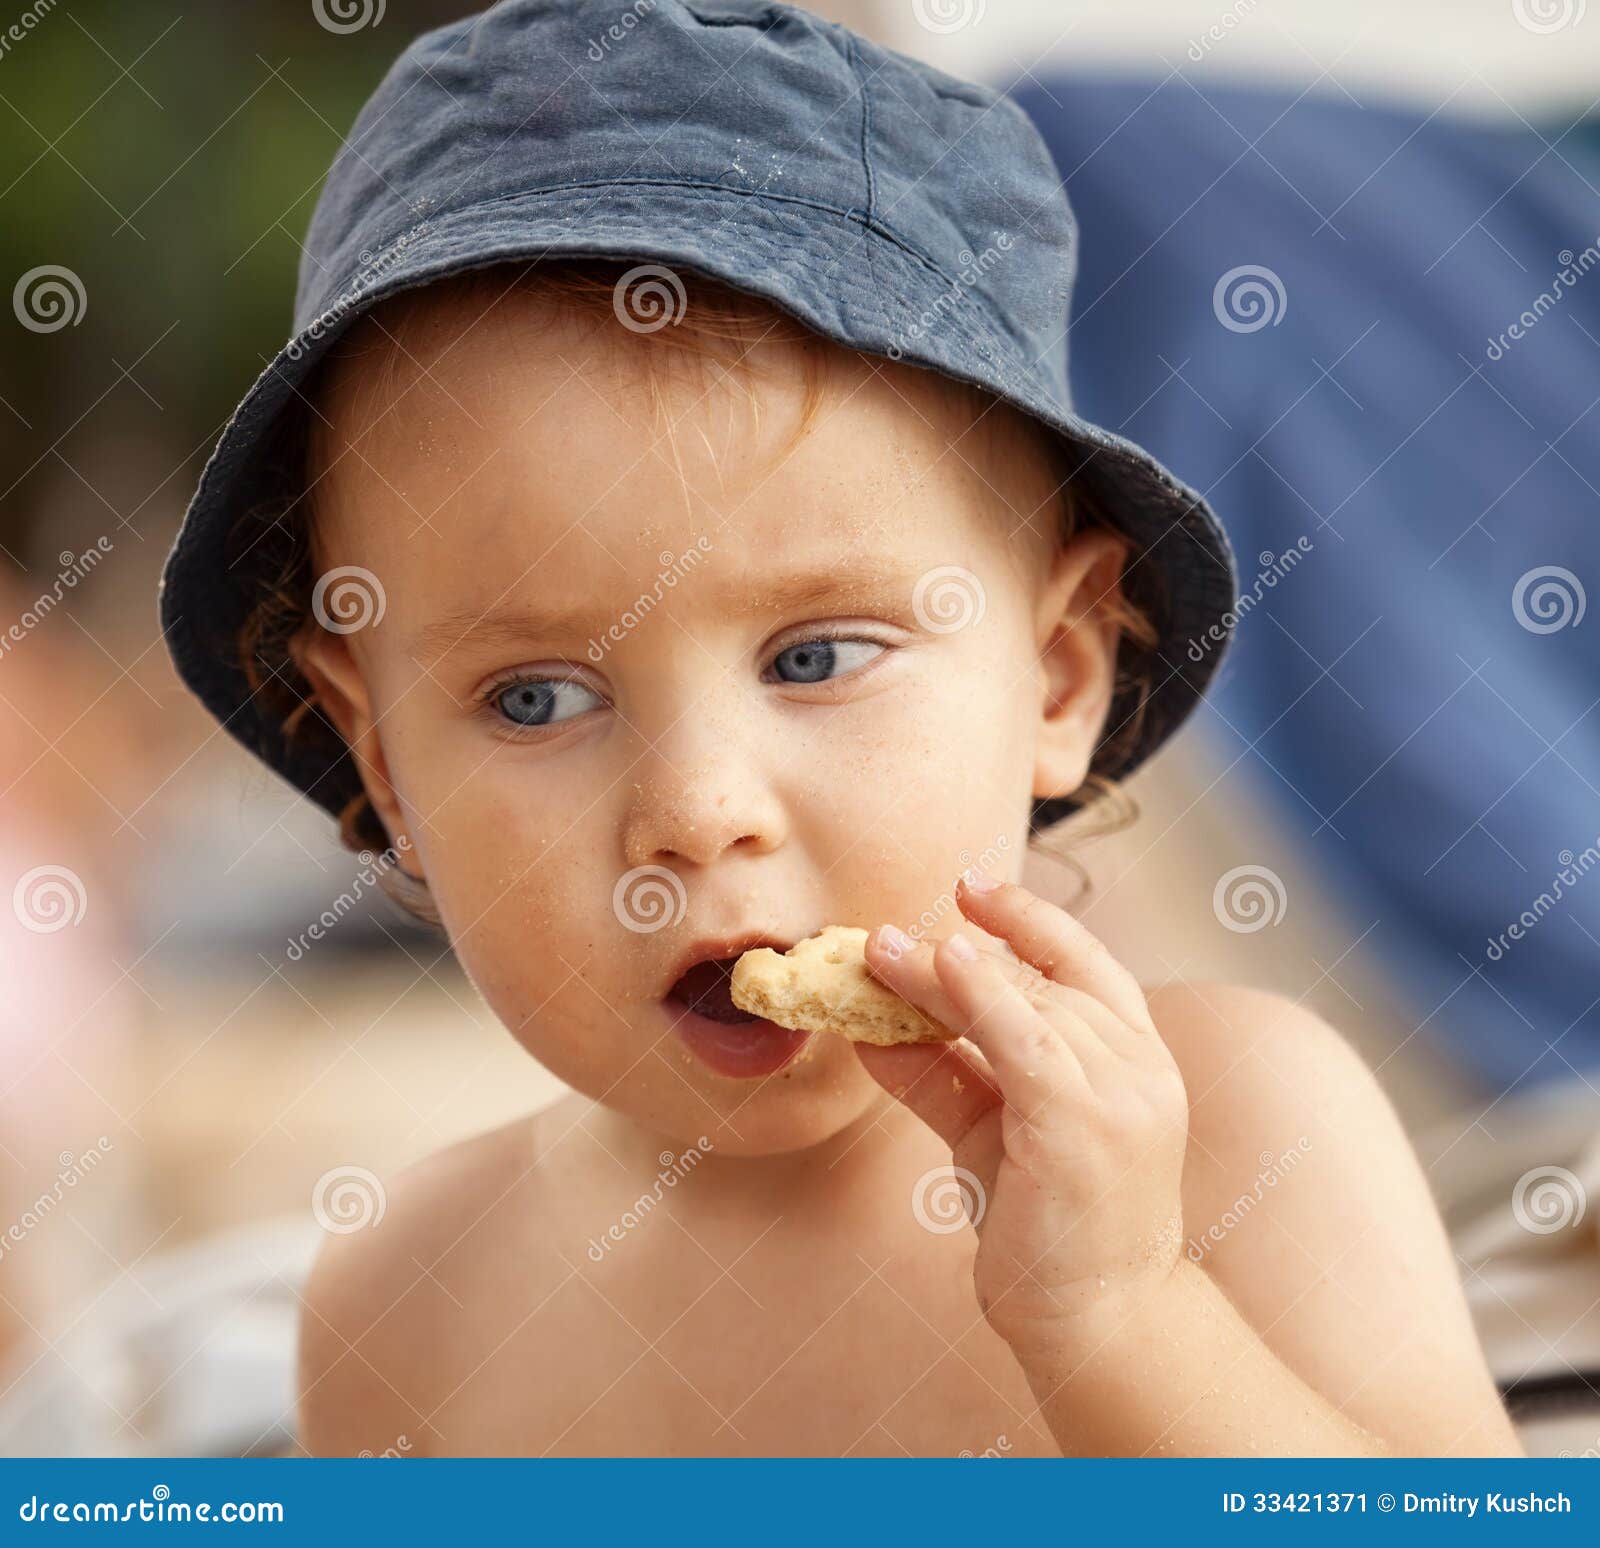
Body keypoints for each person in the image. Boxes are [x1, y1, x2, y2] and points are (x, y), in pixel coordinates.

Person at [157, 0, 1521, 1457]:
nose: (695, 808)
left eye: (813, 656)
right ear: (385, 766)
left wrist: (1123, 1313)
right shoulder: (401, 1303)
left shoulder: (1238, 1132)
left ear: (1059, 679)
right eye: (535, 697)